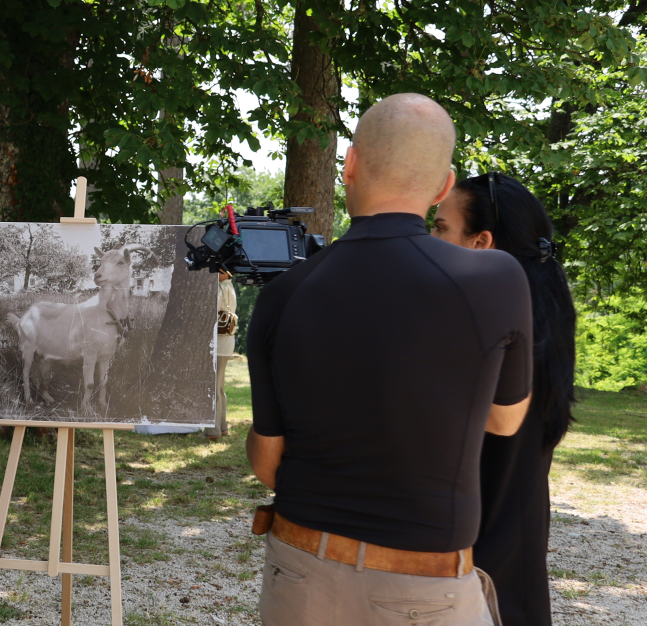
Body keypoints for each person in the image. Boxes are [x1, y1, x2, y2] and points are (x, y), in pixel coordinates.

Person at [246, 93, 533, 625]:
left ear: (350, 164)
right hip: (422, 586)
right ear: (444, 185)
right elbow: (506, 418)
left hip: (301, 570)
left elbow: (267, 462)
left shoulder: (284, 293)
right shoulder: (495, 278)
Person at [432, 173, 577, 626]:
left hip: (478, 558)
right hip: (513, 544)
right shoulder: (537, 311)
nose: (429, 239)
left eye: (440, 227)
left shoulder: (489, 324)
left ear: (481, 242)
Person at [205, 269, 237, 440]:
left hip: (218, 342)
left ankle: (213, 430)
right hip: (227, 342)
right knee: (220, 387)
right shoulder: (230, 287)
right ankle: (222, 426)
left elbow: (212, 312)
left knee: (214, 388)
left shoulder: (219, 288)